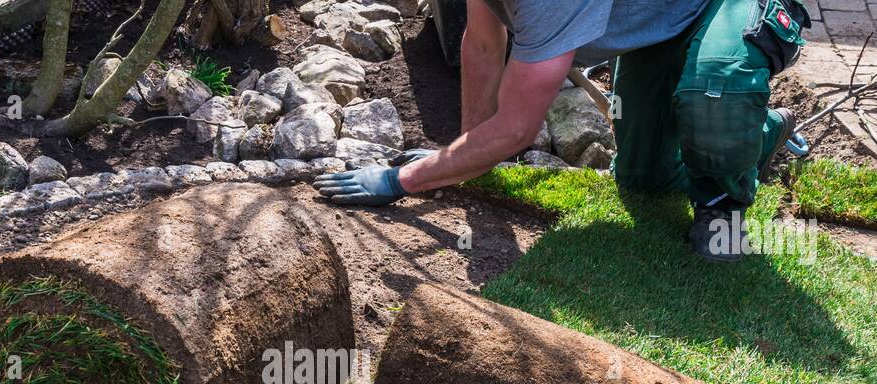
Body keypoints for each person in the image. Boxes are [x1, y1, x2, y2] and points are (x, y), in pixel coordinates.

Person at [314, 0, 808, 262]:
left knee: (714, 96)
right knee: (642, 181)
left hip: (727, 5)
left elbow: (516, 129)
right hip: (663, 17)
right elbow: (484, 46)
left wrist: (403, 181)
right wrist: (461, 160)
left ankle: (732, 184)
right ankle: (737, 134)